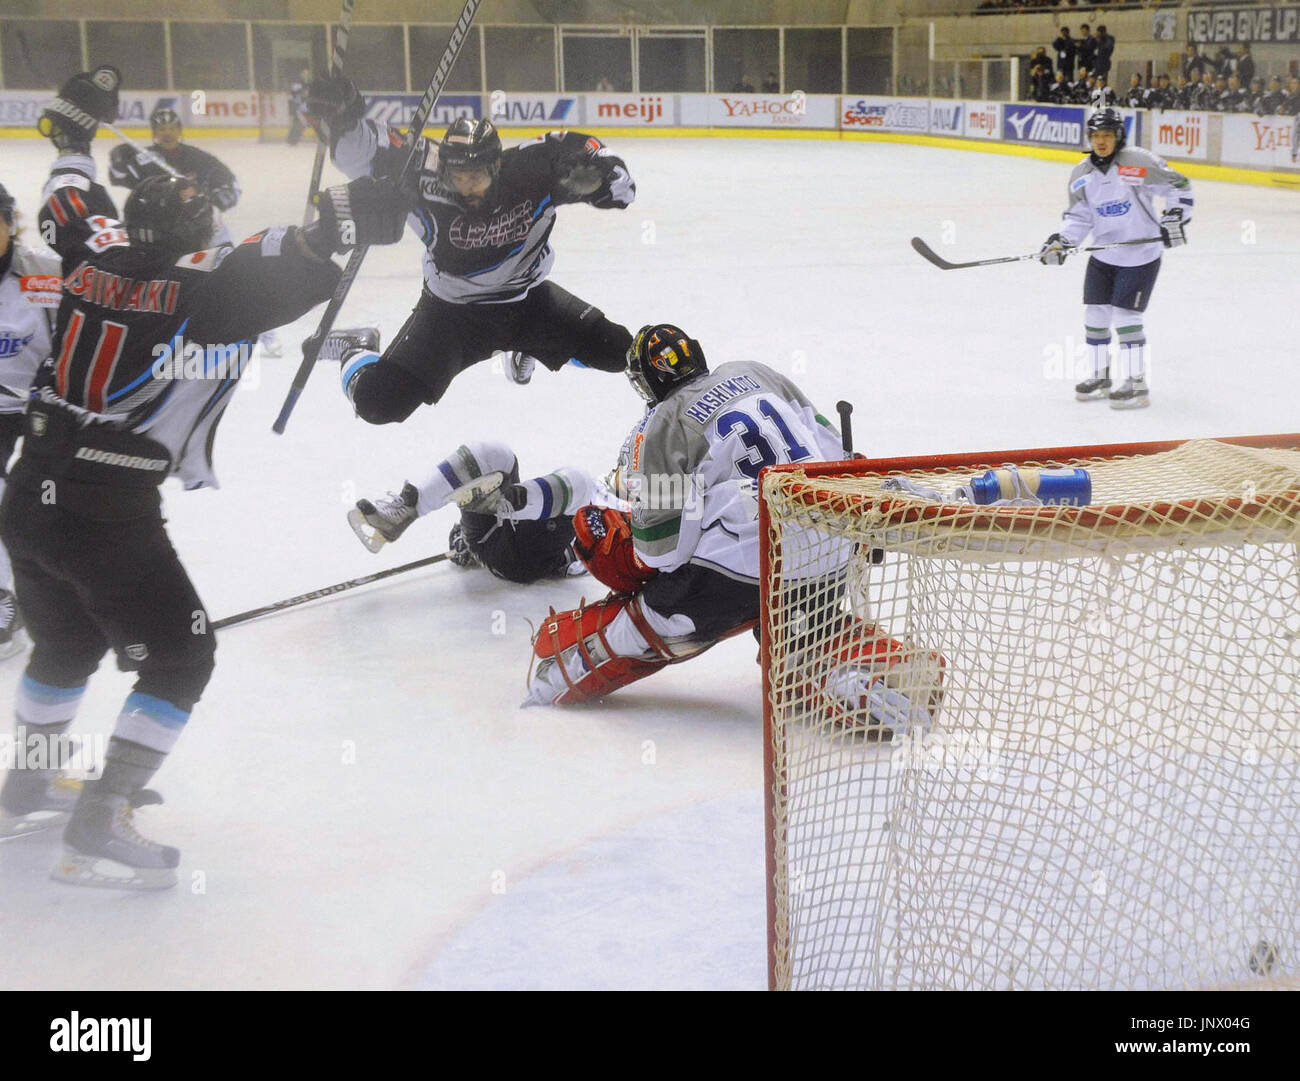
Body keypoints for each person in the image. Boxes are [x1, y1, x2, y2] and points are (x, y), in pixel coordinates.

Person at [0, 67, 408, 876]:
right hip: (103, 507)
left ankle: (26, 784)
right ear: (197, 238)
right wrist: (366, 201)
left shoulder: (88, 252)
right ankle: (99, 813)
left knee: (66, 642)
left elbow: (68, 190)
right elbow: (298, 247)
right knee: (182, 657)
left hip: (26, 493)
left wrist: (76, 133)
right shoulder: (205, 290)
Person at [524, 323, 921, 713]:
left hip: (738, 574)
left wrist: (634, 546)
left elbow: (662, 552)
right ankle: (851, 675)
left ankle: (552, 681)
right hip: (829, 550)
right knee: (797, 640)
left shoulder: (663, 423)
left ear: (645, 381)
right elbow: (837, 458)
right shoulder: (755, 371)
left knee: (643, 618)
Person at [303, 76, 637, 421]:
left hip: (526, 302)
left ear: (497, 167)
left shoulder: (530, 170)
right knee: (377, 405)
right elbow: (367, 148)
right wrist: (345, 117)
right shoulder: (421, 172)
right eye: (456, 177)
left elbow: (592, 153)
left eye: (475, 177)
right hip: (451, 316)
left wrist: (609, 180)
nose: (465, 188)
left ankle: (530, 347)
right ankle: (355, 347)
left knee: (619, 352)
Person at [1038, 108, 1193, 410]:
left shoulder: (1139, 161)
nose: (1101, 141)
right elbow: (1079, 215)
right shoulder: (1081, 174)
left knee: (1126, 317)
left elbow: (1179, 185)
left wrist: (1175, 217)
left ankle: (1137, 383)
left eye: (1107, 135)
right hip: (1104, 254)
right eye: (1096, 136)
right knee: (1095, 316)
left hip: (1140, 255)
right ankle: (1101, 376)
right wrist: (1063, 241)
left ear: (1118, 136)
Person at [107, 105, 284, 358]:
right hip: (161, 235)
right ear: (154, 133)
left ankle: (266, 332)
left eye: (171, 128)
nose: (167, 133)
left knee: (235, 271)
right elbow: (119, 175)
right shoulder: (143, 159)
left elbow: (228, 186)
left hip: (203, 228)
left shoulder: (198, 158)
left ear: (179, 130)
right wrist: (118, 158)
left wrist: (217, 195)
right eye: (161, 129)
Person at [346, 441, 602, 584]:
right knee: (497, 454)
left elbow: (580, 561)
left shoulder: (625, 519)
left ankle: (504, 502)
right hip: (489, 535)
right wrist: (463, 540)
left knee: (582, 482)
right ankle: (406, 510)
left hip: (522, 560)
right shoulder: (621, 502)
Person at [0, 181, 62, 661]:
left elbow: (84, 334)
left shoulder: (45, 274)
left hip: (45, 405)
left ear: (10, 224)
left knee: (55, 500)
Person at [287, 67, 311, 147]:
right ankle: (292, 139)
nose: (306, 76)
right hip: (296, 107)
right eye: (304, 74)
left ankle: (293, 139)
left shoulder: (305, 84)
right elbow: (294, 94)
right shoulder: (298, 84)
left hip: (300, 107)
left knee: (300, 123)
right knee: (298, 123)